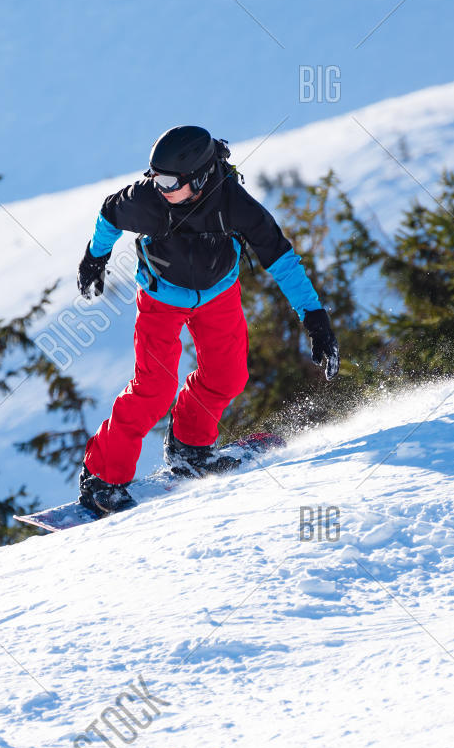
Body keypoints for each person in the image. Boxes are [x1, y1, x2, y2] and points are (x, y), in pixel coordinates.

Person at [75, 125, 338, 515]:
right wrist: (96, 256)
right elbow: (110, 214)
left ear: (198, 178)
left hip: (218, 295)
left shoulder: (235, 203)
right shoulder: (148, 200)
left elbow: (281, 259)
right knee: (154, 387)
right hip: (161, 296)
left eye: (168, 180)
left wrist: (315, 318)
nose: (159, 186)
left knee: (228, 376)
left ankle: (190, 448)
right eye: (154, 177)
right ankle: (102, 478)